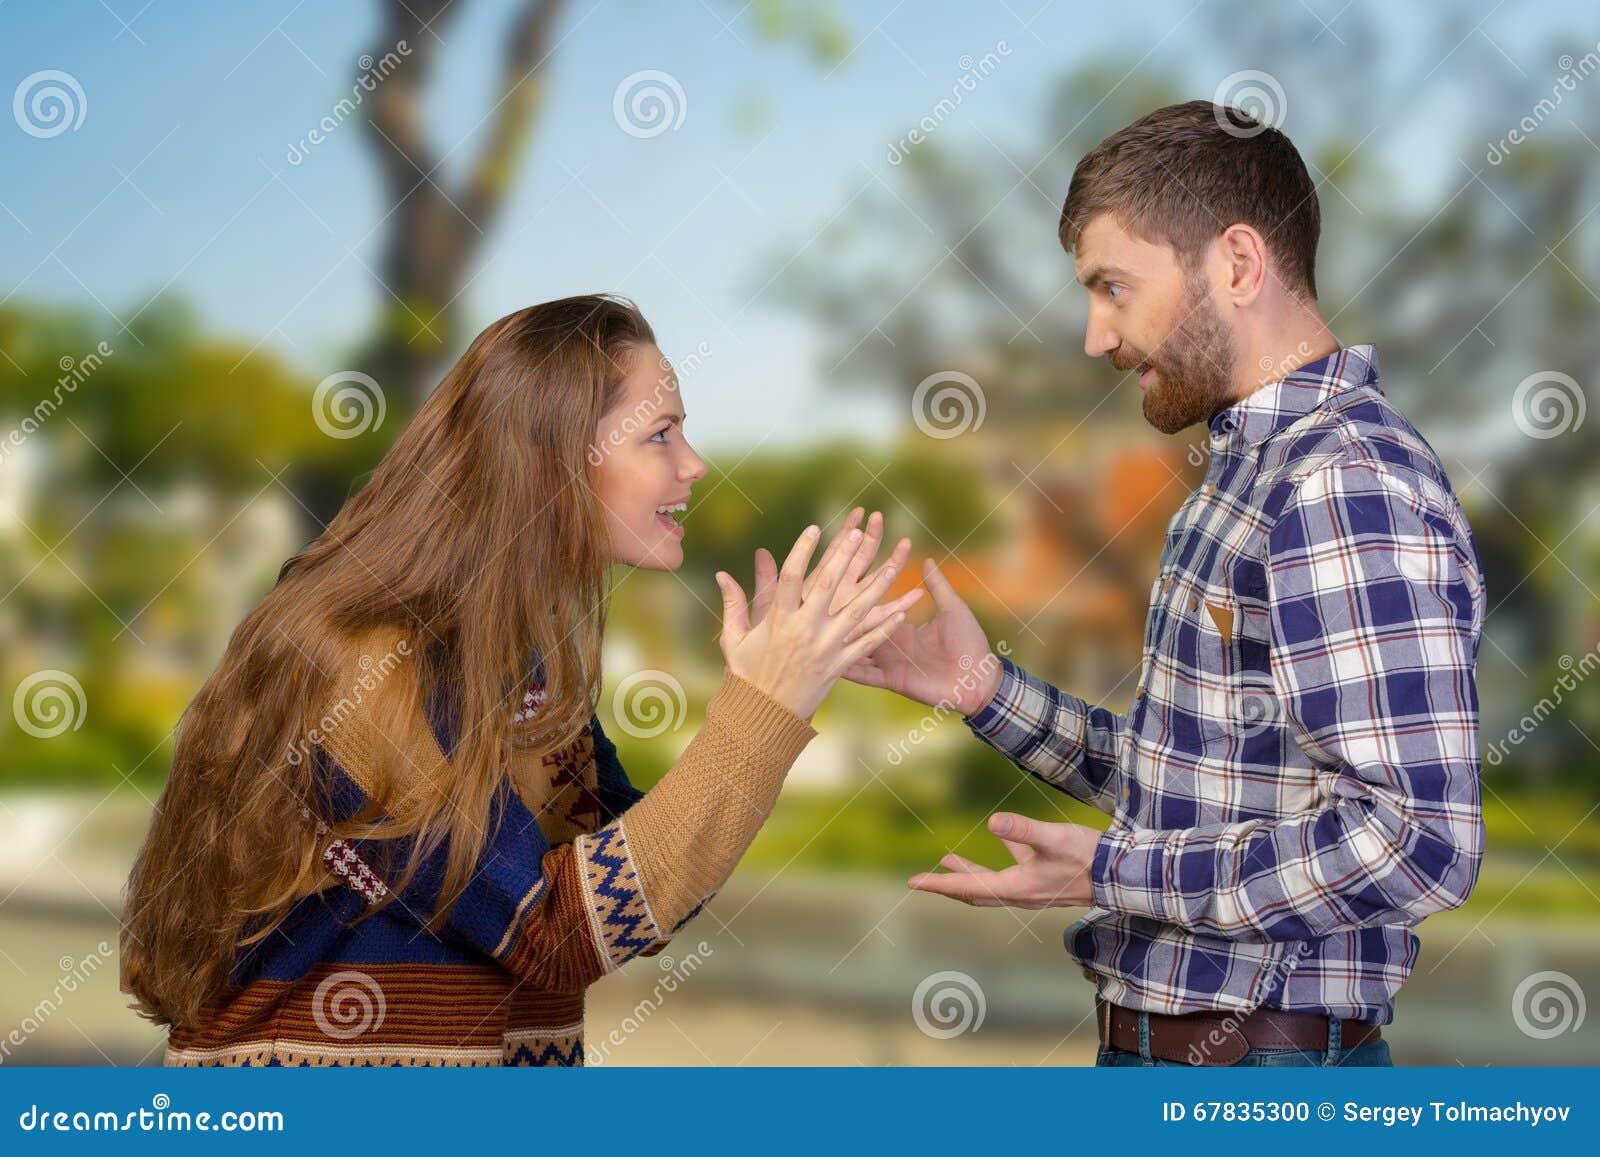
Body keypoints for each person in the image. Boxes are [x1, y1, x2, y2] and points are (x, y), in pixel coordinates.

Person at [119, 294, 923, 1066]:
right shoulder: (367, 660)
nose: (695, 463)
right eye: (662, 435)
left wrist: (769, 696)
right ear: (549, 461)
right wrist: (762, 708)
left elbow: (644, 902)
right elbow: (557, 933)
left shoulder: (521, 658)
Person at [847, 101, 1486, 1067]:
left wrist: (1114, 871)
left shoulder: (1342, 481)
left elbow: (1419, 839)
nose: (1095, 337)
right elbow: (1202, 781)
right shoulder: (1246, 475)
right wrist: (982, 692)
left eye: (1112, 287)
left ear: (1236, 264)